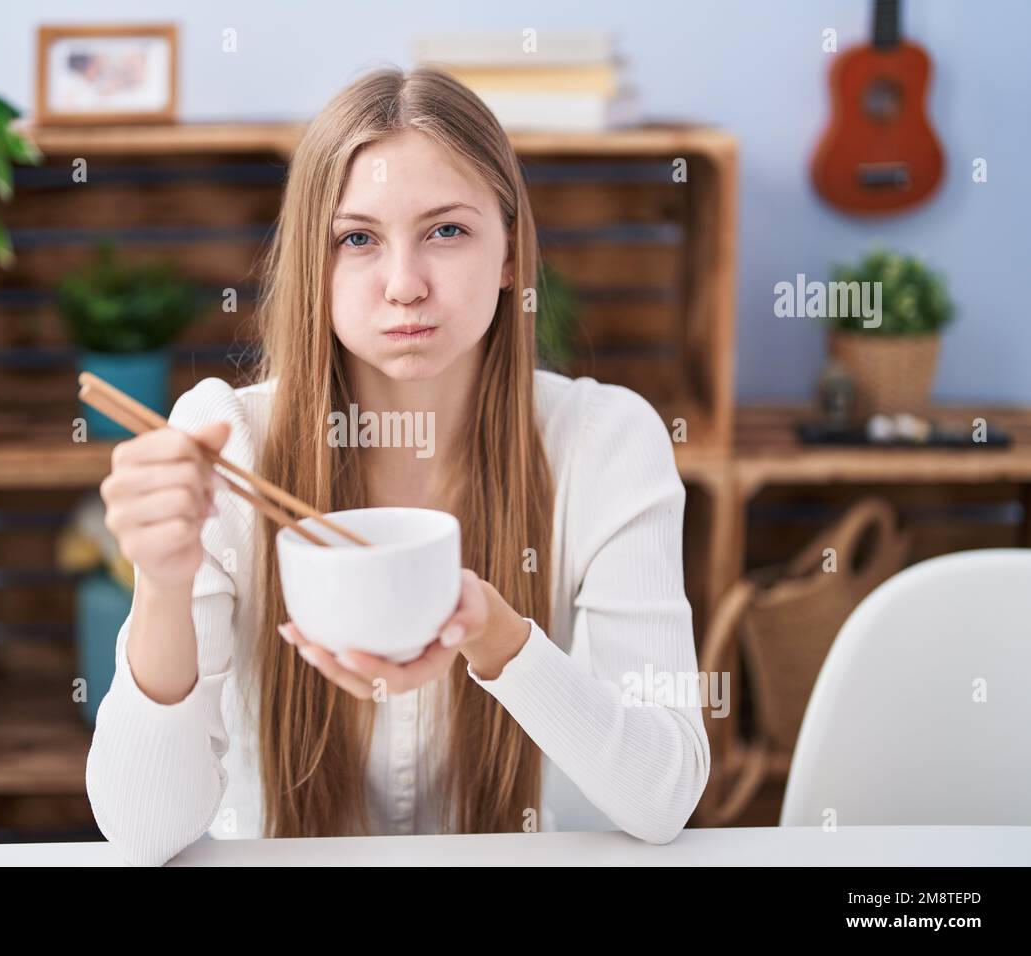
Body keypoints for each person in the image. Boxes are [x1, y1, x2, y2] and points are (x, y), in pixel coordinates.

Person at [86, 66, 709, 866]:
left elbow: (663, 798)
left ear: (511, 251)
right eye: (358, 239)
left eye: (447, 231)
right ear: (315, 261)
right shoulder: (226, 439)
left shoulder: (609, 442)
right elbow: (143, 836)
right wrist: (164, 586)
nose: (405, 286)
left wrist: (500, 640)